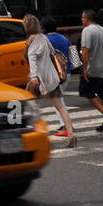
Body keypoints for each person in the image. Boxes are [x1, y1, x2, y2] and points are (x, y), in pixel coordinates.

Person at [24, 13, 76, 148]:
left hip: (39, 78)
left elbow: (32, 58)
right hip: (54, 76)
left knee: (25, 104)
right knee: (60, 106)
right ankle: (71, 134)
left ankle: (27, 136)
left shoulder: (32, 40)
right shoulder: (47, 38)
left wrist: (34, 76)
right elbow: (54, 53)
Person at [79, 7, 103, 133]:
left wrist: (84, 68)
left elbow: (86, 51)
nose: (81, 19)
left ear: (87, 18)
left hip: (94, 67)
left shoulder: (87, 31)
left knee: (86, 91)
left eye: (82, 17)